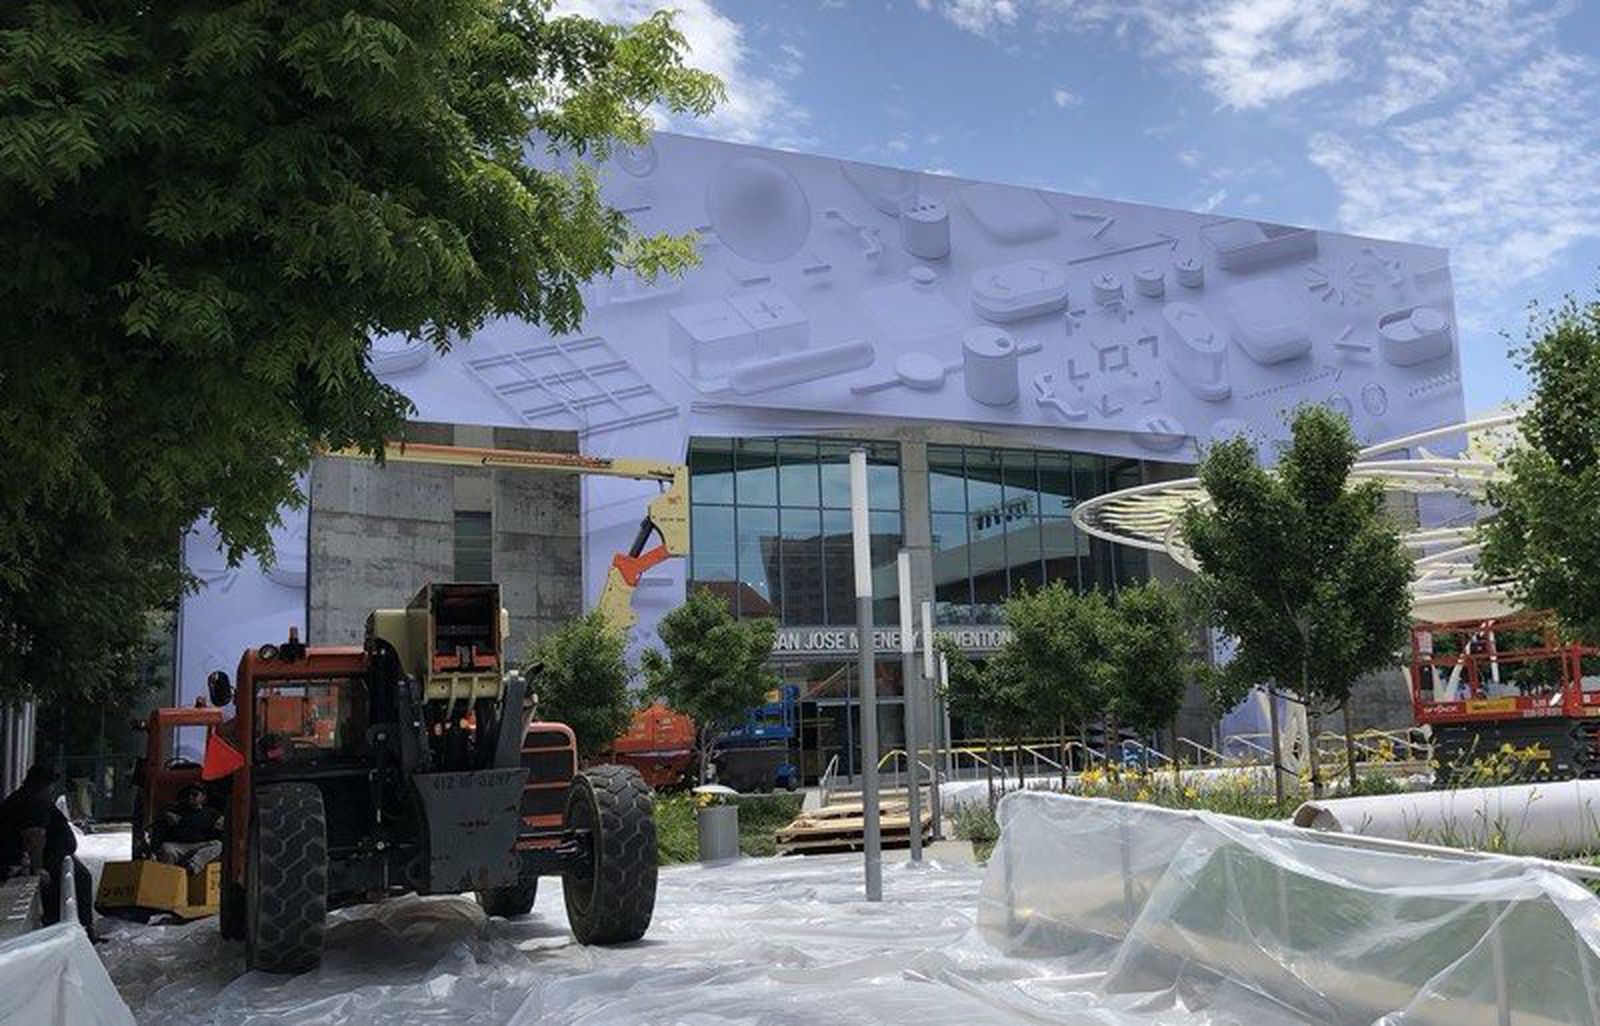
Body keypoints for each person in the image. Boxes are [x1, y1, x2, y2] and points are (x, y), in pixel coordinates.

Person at [0, 764, 97, 938]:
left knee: (77, 882)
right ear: (45, 784)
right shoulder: (32, 801)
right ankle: (76, 931)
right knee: (70, 888)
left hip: (52, 859)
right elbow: (35, 836)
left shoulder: (27, 799)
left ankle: (81, 928)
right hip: (46, 863)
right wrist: (37, 868)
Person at [152, 784, 223, 873]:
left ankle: (192, 866)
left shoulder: (210, 813)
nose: (190, 797)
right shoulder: (177, 810)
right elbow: (160, 826)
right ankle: (169, 876)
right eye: (188, 794)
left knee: (218, 845)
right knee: (167, 848)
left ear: (203, 797)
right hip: (179, 845)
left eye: (194, 794)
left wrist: (219, 826)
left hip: (199, 845)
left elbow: (220, 828)